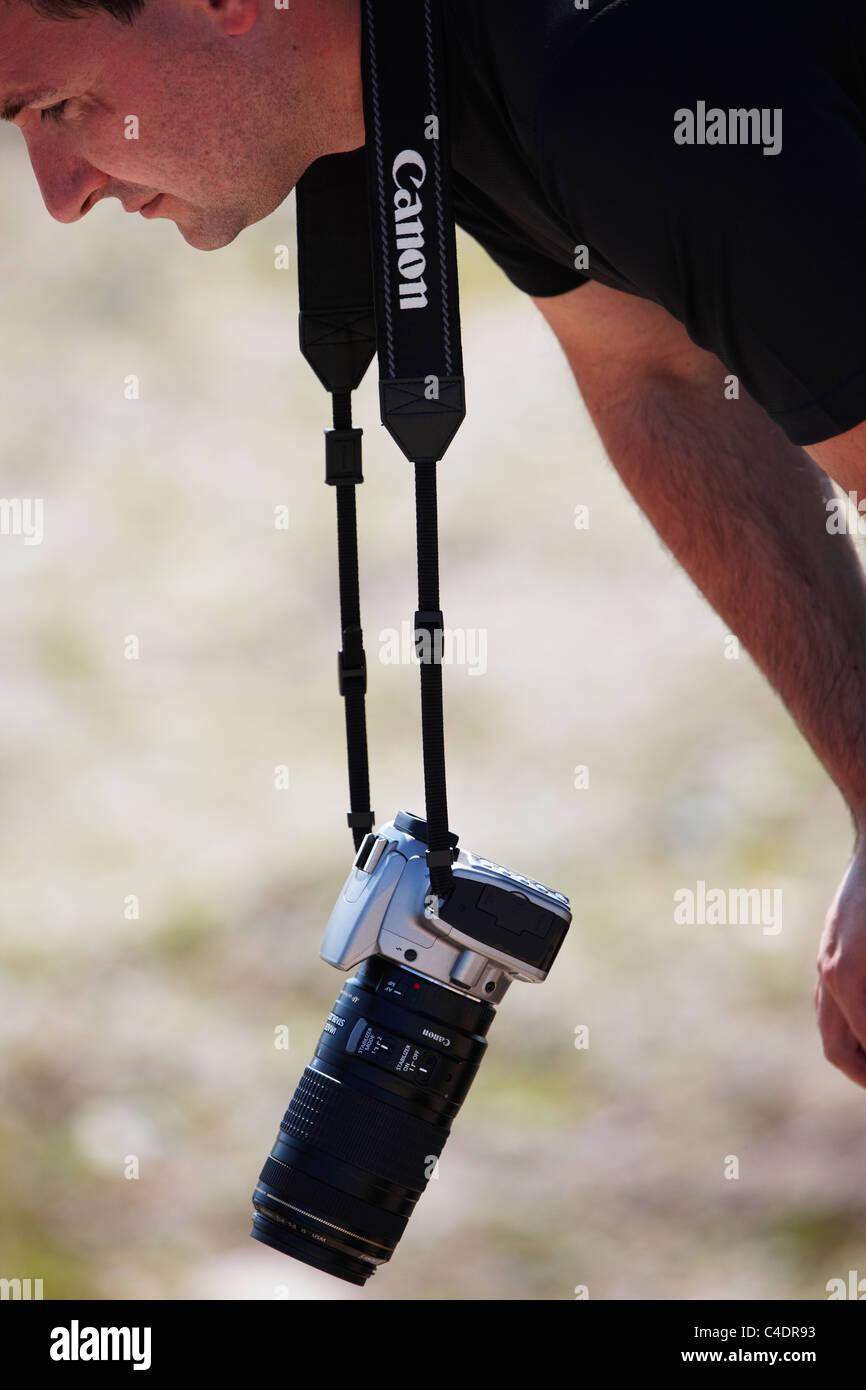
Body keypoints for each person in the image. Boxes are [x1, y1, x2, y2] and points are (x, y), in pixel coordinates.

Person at [3, 0, 866, 1089]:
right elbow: (656, 374)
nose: (58, 193)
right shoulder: (433, 52)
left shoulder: (612, 78)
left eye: (61, 106)